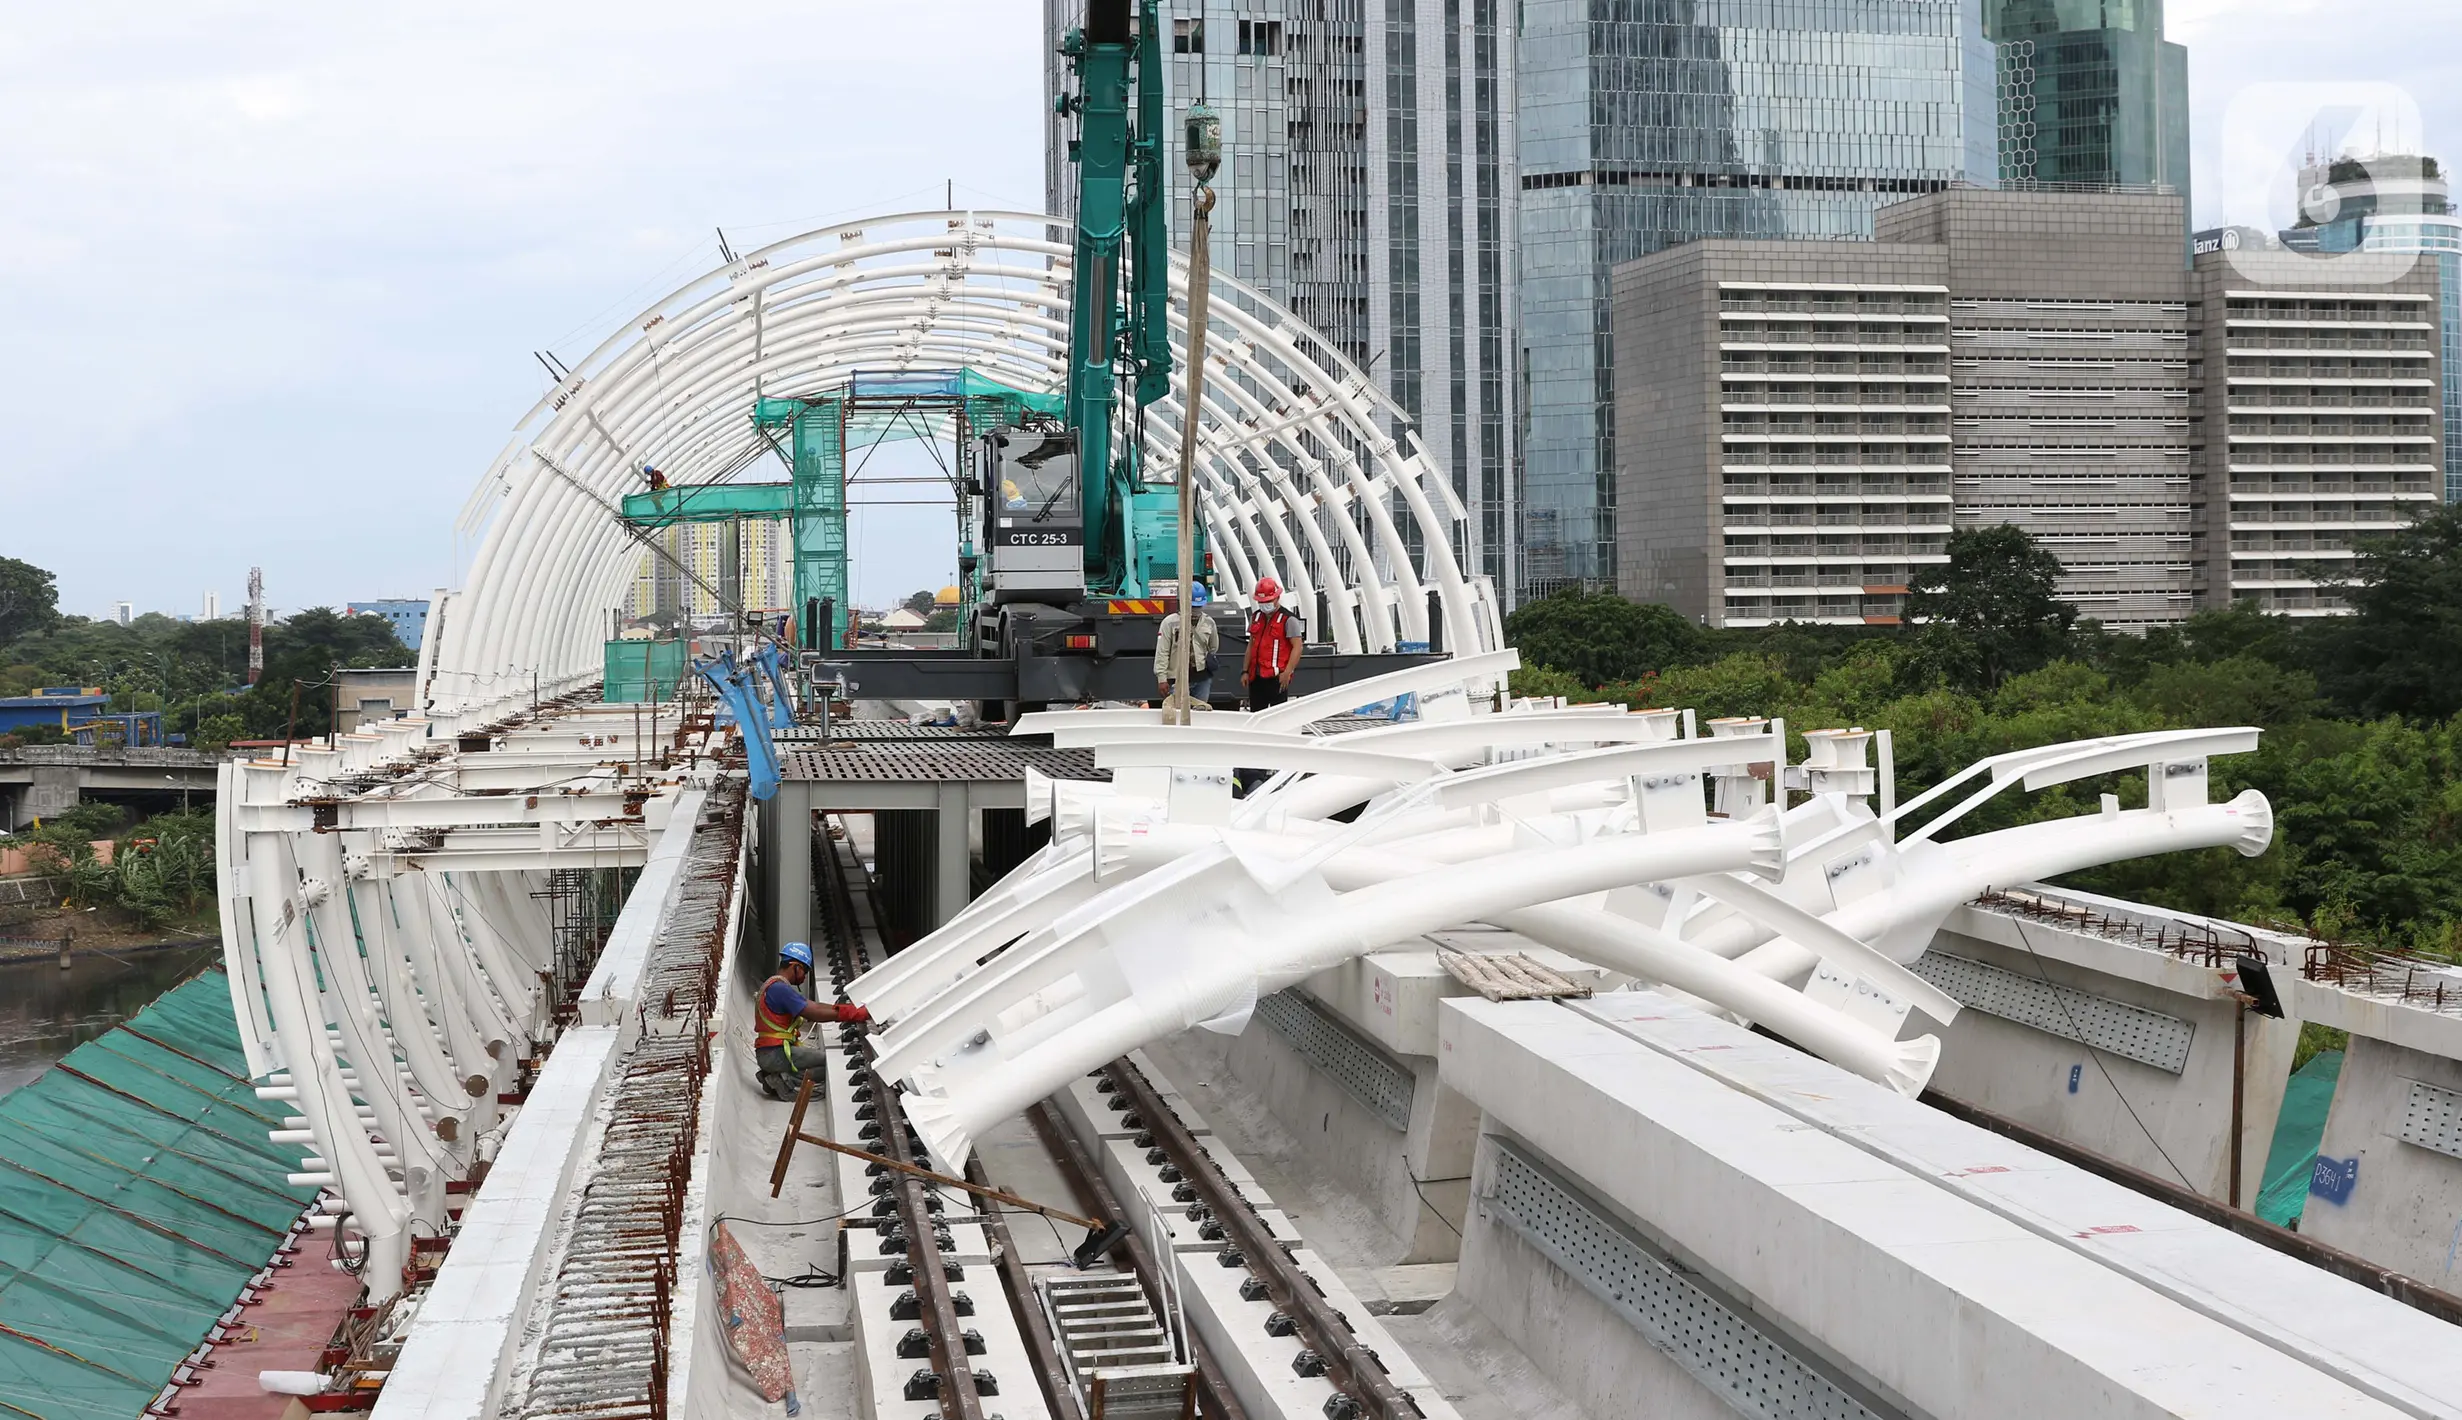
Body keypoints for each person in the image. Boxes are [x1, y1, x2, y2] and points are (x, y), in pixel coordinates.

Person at [754, 941, 871, 1101]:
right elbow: (815, 1012)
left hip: (770, 1052)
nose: (805, 976)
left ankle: (776, 1075)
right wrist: (857, 1013)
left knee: (820, 1061)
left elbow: (814, 1007)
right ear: (795, 966)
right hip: (775, 1054)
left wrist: (848, 1009)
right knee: (827, 1063)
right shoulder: (780, 989)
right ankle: (783, 1081)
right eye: (805, 970)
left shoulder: (774, 985)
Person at [1240, 576, 1305, 711]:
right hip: (1256, 678)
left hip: (1277, 678)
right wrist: (1245, 671)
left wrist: (1288, 672)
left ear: (1277, 598)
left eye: (1268, 601)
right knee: (1256, 715)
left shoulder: (1289, 619)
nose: (1264, 604)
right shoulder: (1256, 617)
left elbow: (1297, 647)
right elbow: (1251, 646)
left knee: (1278, 716)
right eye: (1261, 601)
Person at [1153, 582, 1219, 709]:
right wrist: (1162, 678)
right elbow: (1162, 652)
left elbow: (1213, 647)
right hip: (1177, 680)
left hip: (1202, 679)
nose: (1196, 610)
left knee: (1201, 714)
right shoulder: (1169, 623)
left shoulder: (1209, 623)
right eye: (1193, 606)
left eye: (1199, 606)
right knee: (1178, 715)